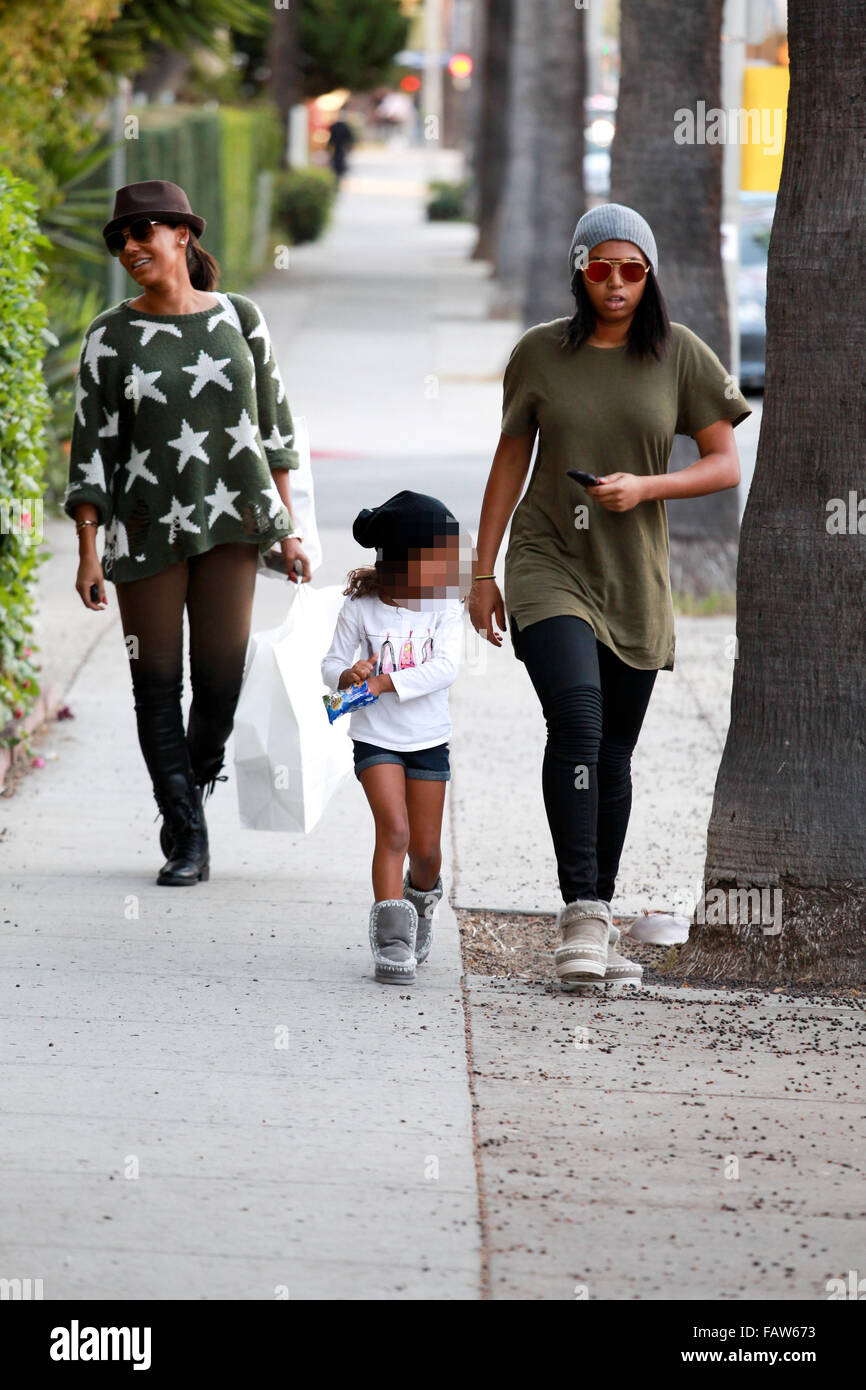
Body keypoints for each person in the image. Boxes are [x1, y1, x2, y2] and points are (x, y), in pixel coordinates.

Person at [468, 203, 752, 991]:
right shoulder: (539, 354)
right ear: (579, 270)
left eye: (633, 269)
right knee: (580, 719)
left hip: (634, 577)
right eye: (602, 267)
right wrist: (482, 570)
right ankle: (582, 918)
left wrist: (647, 487)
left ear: (650, 274)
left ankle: (597, 910)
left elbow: (726, 462)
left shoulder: (680, 356)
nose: (617, 283)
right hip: (547, 558)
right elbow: (509, 462)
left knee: (614, 756)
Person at [64, 179, 311, 887]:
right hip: (142, 532)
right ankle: (186, 833)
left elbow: (275, 432)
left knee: (221, 683)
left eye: (143, 234)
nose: (131, 248)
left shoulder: (240, 318)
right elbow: (93, 449)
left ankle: (195, 781)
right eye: (121, 240)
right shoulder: (110, 335)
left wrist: (286, 530)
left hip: (232, 524)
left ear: (182, 235)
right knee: (156, 683)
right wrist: (88, 547)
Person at [321, 491, 469, 984]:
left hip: (428, 739)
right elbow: (332, 665)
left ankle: (419, 905)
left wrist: (384, 681)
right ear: (403, 563)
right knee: (396, 832)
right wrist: (349, 675)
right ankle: (392, 938)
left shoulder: (444, 606)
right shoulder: (361, 609)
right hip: (375, 738)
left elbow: (447, 666)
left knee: (425, 850)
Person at [327, 110, 355, 182]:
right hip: (341, 145)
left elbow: (331, 137)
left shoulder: (334, 125)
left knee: (337, 158)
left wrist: (328, 145)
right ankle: (340, 170)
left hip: (336, 145)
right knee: (340, 158)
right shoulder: (345, 126)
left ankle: (338, 171)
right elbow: (349, 137)